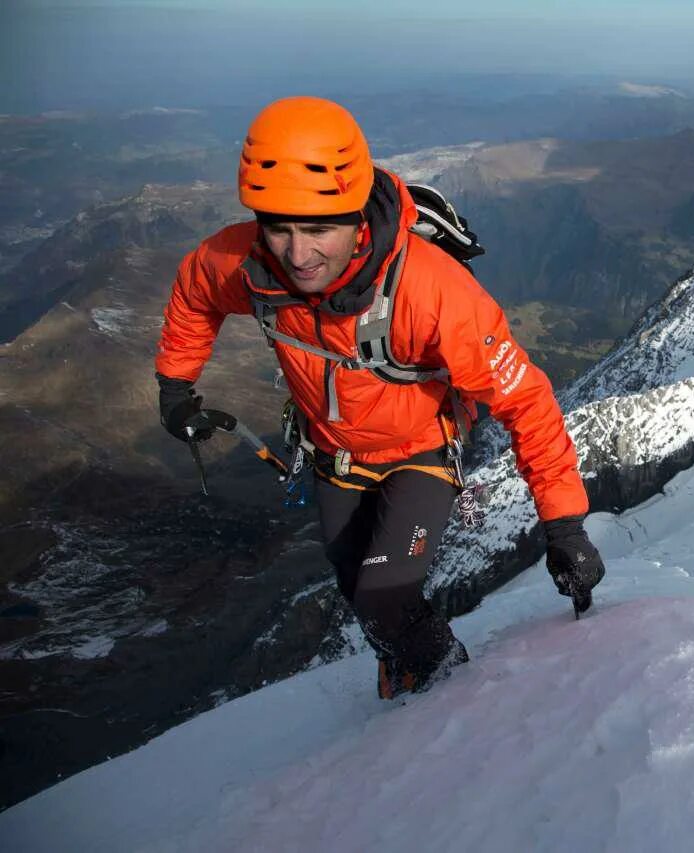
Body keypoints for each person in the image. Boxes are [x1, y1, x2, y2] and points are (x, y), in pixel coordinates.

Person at [154, 96, 605, 699]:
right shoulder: (249, 264)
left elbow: (526, 401)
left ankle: (453, 700)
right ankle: (409, 676)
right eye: (279, 226)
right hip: (334, 460)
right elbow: (195, 292)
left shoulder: (431, 292)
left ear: (357, 215)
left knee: (382, 596)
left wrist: (564, 523)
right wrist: (175, 384)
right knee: (361, 596)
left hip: (420, 454)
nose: (297, 253)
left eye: (319, 228)